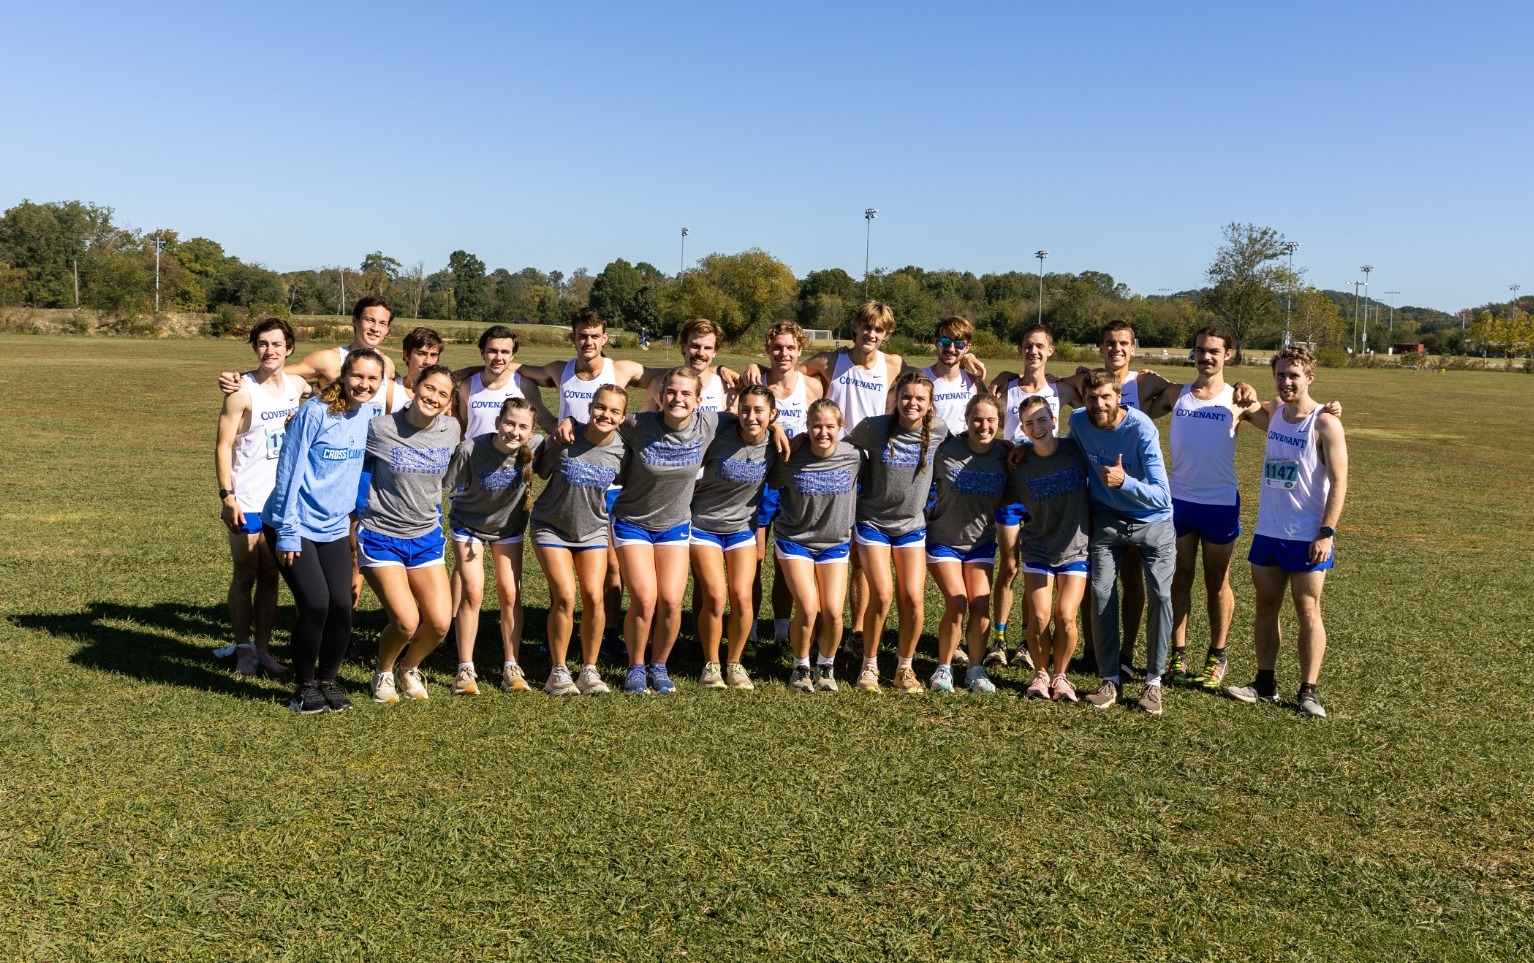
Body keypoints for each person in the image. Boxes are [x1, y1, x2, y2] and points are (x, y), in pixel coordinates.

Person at [262, 348, 387, 713]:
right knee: (315, 604)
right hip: (293, 523)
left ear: (380, 384)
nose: (364, 385)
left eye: (372, 379)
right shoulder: (314, 412)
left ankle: (327, 682)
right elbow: (288, 470)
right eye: (358, 376)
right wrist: (286, 530)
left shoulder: (367, 413)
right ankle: (302, 688)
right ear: (344, 375)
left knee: (343, 606)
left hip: (333, 526)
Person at [1140, 326, 1265, 689]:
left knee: (1217, 581)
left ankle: (1217, 655)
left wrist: (1324, 414)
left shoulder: (1236, 398)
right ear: (1193, 353)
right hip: (1179, 501)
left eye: (1214, 351)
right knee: (1179, 578)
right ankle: (1176, 654)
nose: (1206, 357)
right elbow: (1137, 404)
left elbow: (1279, 421)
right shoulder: (1177, 395)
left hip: (1220, 503)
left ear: (1228, 355)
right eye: (1200, 350)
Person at [1227, 346, 1349, 718]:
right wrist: (1242, 383)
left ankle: (1308, 691)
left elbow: (1340, 481)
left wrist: (1326, 532)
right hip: (1269, 531)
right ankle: (1265, 683)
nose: (1286, 382)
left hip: (1308, 534)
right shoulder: (1275, 413)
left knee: (1308, 609)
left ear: (1310, 377)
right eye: (1280, 374)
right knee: (1266, 607)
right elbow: (1243, 405)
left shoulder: (1325, 422)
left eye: (1294, 375)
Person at [1058, 321, 1176, 677]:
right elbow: (1066, 449)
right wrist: (1025, 452)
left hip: (1150, 519)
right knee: (1099, 588)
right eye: (1092, 398)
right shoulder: (1079, 421)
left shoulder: (1141, 427)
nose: (1098, 404)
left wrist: (1125, 482)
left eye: (1106, 398)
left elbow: (1161, 494)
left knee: (1150, 591)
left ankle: (1131, 659)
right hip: (1105, 516)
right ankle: (1098, 658)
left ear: (1118, 397)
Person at [357, 365, 459, 704]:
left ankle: (408, 668)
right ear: (414, 386)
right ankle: (383, 672)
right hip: (381, 535)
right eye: (430, 388)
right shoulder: (381, 428)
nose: (434, 397)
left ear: (448, 402)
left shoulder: (451, 429)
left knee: (441, 625)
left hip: (426, 537)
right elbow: (344, 447)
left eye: (443, 394)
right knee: (405, 621)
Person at [214, 318, 309, 677]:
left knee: (272, 578)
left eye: (277, 344)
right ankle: (242, 649)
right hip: (248, 501)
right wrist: (228, 496)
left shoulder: (298, 386)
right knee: (245, 574)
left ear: (289, 348)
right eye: (263, 344)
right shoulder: (242, 390)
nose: (270, 351)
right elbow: (223, 446)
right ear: (255, 348)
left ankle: (265, 651)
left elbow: (330, 387)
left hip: (283, 502)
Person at [987, 323, 1083, 669]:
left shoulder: (1063, 389)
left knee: (1035, 566)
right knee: (1010, 565)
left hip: (1050, 493)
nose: (1034, 352)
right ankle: (999, 639)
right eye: (1028, 345)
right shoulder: (1004, 387)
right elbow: (984, 422)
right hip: (1013, 488)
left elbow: (1101, 394)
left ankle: (1028, 642)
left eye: (1040, 346)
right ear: (1020, 350)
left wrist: (1083, 374)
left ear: (1051, 350)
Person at [845, 371, 947, 693]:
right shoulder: (873, 428)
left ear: (930, 405)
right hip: (873, 523)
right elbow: (840, 452)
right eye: (906, 396)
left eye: (920, 398)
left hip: (911, 526)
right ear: (895, 397)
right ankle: (869, 667)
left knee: (915, 600)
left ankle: (905, 667)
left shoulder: (940, 431)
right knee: (883, 595)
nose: (911, 403)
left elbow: (967, 447)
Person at [530, 384, 629, 696]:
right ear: (590, 408)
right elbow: (538, 470)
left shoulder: (623, 450)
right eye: (600, 407)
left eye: (614, 411)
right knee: (565, 597)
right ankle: (557, 672)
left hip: (594, 529)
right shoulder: (565, 438)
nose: (605, 414)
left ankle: (589, 669)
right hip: (551, 526)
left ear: (623, 418)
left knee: (595, 597)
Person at [443, 397, 543, 695]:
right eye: (509, 423)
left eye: (522, 426)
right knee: (472, 592)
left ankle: (511, 665)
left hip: (508, 529)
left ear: (532, 431)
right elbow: (447, 486)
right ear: (497, 422)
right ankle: (465, 668)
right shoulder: (470, 449)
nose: (514, 431)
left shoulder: (536, 447)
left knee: (510, 594)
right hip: (468, 525)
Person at [768, 399, 863, 692]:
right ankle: (800, 668)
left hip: (834, 542)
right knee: (809, 609)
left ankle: (825, 666)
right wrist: (783, 434)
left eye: (830, 427)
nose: (823, 432)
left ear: (841, 428)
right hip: (795, 540)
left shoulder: (855, 456)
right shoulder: (791, 457)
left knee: (833, 612)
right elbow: (769, 477)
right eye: (816, 426)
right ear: (807, 427)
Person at [690, 386, 777, 690]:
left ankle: (734, 663)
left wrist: (778, 430)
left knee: (743, 597)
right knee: (715, 596)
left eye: (759, 411)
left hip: (742, 529)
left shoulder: (776, 444)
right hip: (703, 525)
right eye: (745, 409)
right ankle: (711, 664)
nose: (750, 417)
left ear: (772, 415)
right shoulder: (719, 435)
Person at [1007, 396, 1091, 701]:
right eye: (1029, 423)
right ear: (1023, 429)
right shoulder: (1019, 463)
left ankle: (1061, 675)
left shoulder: (1075, 449)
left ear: (1054, 421)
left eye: (1042, 420)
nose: (1037, 427)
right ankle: (1041, 675)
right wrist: (1015, 450)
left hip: (1075, 547)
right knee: (1040, 617)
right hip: (1038, 548)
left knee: (1066, 615)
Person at [925, 394, 1009, 694]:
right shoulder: (946, 449)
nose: (983, 426)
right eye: (977, 419)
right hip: (943, 541)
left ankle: (975, 669)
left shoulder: (1006, 455)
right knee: (958, 602)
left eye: (990, 420)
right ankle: (943, 668)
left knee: (981, 605)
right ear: (966, 419)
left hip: (980, 544)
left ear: (999, 423)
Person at [755, 321, 823, 657]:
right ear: (768, 349)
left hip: (797, 486)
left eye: (790, 348)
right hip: (757, 482)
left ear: (800, 350)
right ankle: (750, 629)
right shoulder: (755, 383)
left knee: (785, 562)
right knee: (753, 561)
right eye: (777, 348)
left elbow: (825, 424)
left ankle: (781, 631)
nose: (783, 354)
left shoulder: (811, 387)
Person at [220, 295, 398, 392]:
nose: (375, 328)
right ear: (355, 321)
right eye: (369, 320)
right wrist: (237, 377)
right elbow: (274, 373)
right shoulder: (329, 359)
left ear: (387, 329)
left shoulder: (388, 365)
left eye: (382, 323)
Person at [457, 326, 556, 439]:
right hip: (475, 454)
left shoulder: (525, 386)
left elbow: (547, 423)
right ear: (482, 353)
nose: (498, 357)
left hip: (510, 456)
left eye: (504, 352)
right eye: (492, 351)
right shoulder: (467, 385)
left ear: (512, 355)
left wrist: (576, 430)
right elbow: (463, 428)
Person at [922, 316, 983, 434]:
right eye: (945, 342)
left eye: (959, 344)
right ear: (935, 342)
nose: (951, 348)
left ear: (967, 348)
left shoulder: (974, 382)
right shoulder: (921, 379)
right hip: (931, 450)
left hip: (963, 451)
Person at [385, 326, 443, 412]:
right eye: (421, 353)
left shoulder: (443, 397)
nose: (428, 361)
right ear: (406, 355)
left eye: (433, 355)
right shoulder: (390, 390)